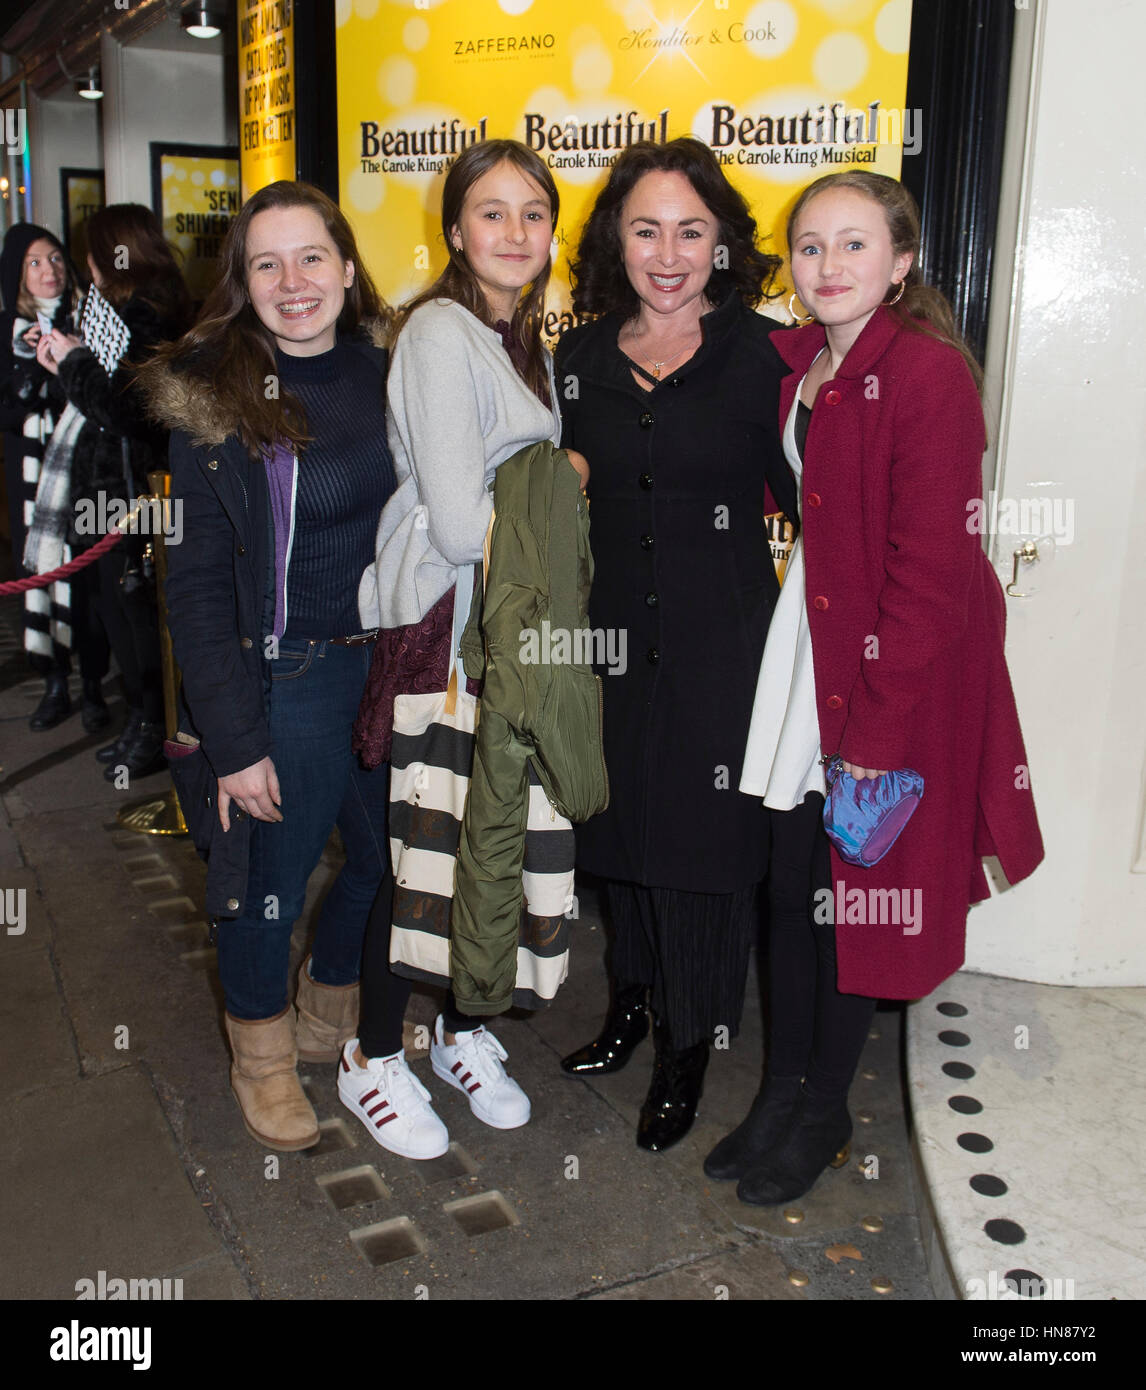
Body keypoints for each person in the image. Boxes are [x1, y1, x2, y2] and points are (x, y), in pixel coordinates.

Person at [710, 170, 1043, 1205]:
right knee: (789, 880)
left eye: (853, 246)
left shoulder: (930, 375)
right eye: (810, 246)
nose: (827, 266)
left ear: (902, 263)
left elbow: (935, 573)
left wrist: (880, 728)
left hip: (889, 658)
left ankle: (821, 1105)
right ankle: (779, 1092)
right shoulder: (801, 364)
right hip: (812, 639)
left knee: (846, 893)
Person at [142, 180, 398, 1152]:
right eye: (266, 263)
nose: (293, 282)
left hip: (382, 668)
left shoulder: (384, 372)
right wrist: (237, 738)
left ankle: (329, 1010)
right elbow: (196, 587)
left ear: (344, 265)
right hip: (284, 680)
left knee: (383, 860)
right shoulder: (215, 402)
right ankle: (259, 1052)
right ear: (243, 283)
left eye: (311, 257)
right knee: (266, 886)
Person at [553, 138, 797, 1152]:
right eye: (646, 228)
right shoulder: (579, 356)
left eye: (690, 230)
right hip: (607, 646)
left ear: (723, 243)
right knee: (616, 837)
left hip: (723, 651)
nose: (667, 252)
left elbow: (816, 494)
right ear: (617, 237)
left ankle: (688, 1045)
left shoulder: (770, 357)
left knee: (700, 852)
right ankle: (630, 1004)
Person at [353, 138, 588, 1151]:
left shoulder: (523, 338)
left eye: (534, 212)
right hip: (445, 630)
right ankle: (370, 1053)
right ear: (455, 230)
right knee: (420, 849)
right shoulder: (442, 332)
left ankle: (457, 1028)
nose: (515, 231)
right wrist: (560, 479)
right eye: (491, 212)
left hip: (504, 630)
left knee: (481, 836)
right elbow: (457, 524)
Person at [34, 204, 191, 777]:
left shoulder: (149, 313)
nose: (87, 266)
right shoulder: (122, 308)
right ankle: (141, 721)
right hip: (110, 497)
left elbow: (130, 410)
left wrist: (73, 364)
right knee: (119, 614)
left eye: (92, 254)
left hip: (136, 499)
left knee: (139, 617)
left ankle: (154, 727)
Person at [0, 223, 109, 732]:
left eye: (56, 259)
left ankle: (92, 686)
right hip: (31, 477)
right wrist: (28, 374)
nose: (50, 271)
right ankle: (53, 681)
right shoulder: (7, 333)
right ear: (19, 275)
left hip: (81, 470)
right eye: (35, 263)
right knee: (38, 573)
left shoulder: (87, 319)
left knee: (85, 577)